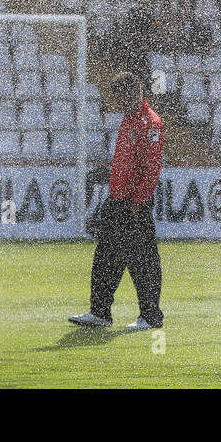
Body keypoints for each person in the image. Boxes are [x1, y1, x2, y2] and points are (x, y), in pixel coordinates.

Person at [70, 72, 165, 331]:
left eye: (121, 97)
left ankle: (151, 316)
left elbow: (152, 168)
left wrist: (139, 202)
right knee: (105, 258)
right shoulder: (129, 119)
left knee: (142, 261)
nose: (118, 103)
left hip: (134, 205)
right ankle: (99, 312)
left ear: (133, 93)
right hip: (116, 202)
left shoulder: (150, 123)